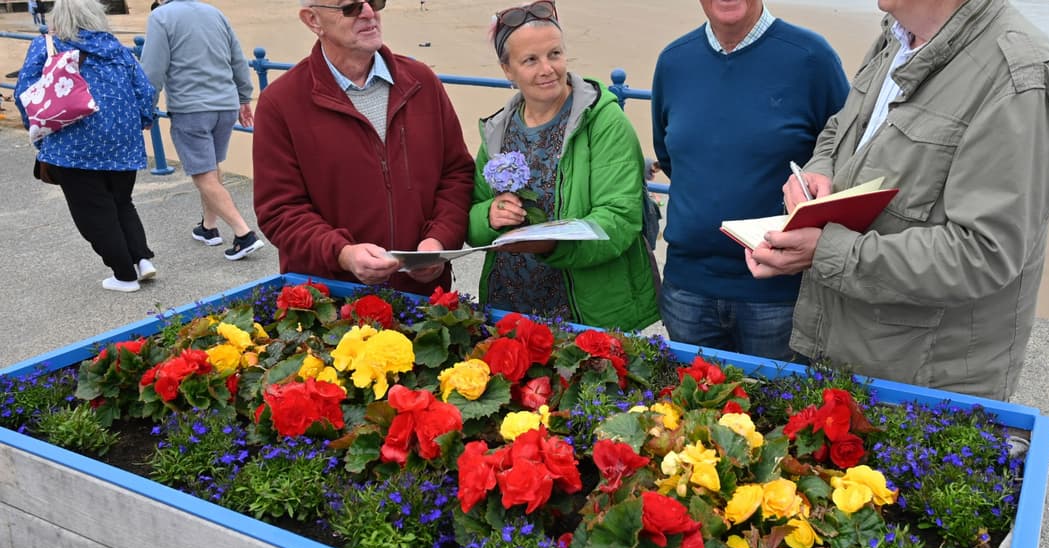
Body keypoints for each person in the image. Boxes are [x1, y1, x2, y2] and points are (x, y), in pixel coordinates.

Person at [747, 0, 1049, 401]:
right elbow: (843, 127)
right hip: (837, 353)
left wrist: (825, 252)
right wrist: (817, 171)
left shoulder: (1020, 77)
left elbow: (984, 254)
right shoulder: (897, 34)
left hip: (923, 386)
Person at [651, 0, 848, 361]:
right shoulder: (673, 62)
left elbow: (843, 154)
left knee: (781, 416)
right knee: (689, 415)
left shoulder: (812, 58)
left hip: (779, 295)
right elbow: (669, 157)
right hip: (688, 291)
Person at [252, 0, 474, 294]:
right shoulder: (280, 103)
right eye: (351, 7)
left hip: (424, 300)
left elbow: (456, 173)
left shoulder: (422, 81)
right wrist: (342, 253)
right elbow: (280, 210)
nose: (369, 12)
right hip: (330, 302)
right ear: (312, 20)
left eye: (375, 1)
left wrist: (438, 243)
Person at [467, 1, 659, 331]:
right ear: (507, 70)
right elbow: (470, 218)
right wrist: (490, 215)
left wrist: (552, 243)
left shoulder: (604, 122)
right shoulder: (498, 129)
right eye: (530, 60)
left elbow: (620, 219)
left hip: (586, 315)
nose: (547, 69)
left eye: (554, 54)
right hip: (509, 311)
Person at [15, 0, 158, 292]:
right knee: (121, 202)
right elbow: (144, 89)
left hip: (73, 144)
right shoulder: (116, 47)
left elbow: (24, 92)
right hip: (123, 140)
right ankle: (142, 260)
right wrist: (144, 119)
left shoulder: (47, 46)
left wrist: (35, 128)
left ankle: (124, 276)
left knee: (93, 211)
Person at [139, 0, 266, 261]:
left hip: (191, 106)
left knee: (202, 175)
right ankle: (209, 228)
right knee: (212, 166)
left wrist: (145, 108)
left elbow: (152, 70)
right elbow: (238, 60)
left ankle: (244, 234)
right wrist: (244, 97)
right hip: (225, 104)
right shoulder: (215, 12)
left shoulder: (161, 17)